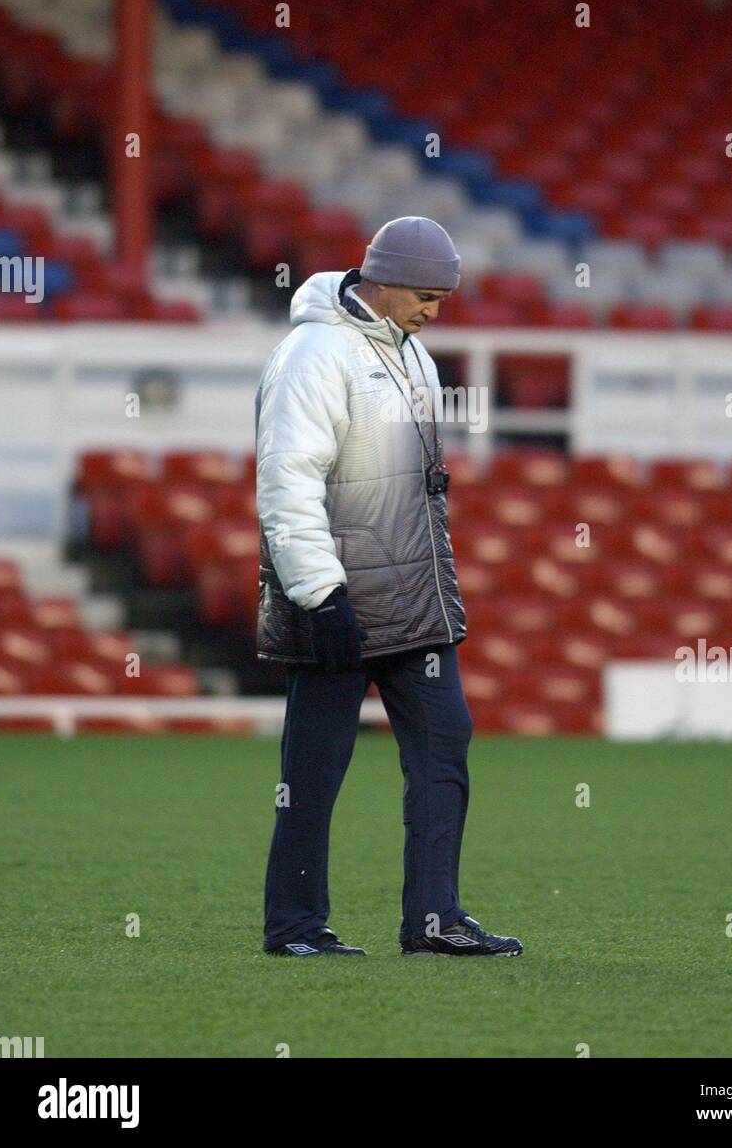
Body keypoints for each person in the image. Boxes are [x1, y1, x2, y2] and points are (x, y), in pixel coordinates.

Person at [255, 215, 523, 958]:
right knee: (313, 768)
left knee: (445, 745)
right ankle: (296, 928)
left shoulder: (413, 355)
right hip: (335, 604)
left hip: (412, 602)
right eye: (427, 295)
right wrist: (319, 594)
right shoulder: (312, 354)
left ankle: (434, 920)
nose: (435, 311)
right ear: (387, 278)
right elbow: (287, 480)